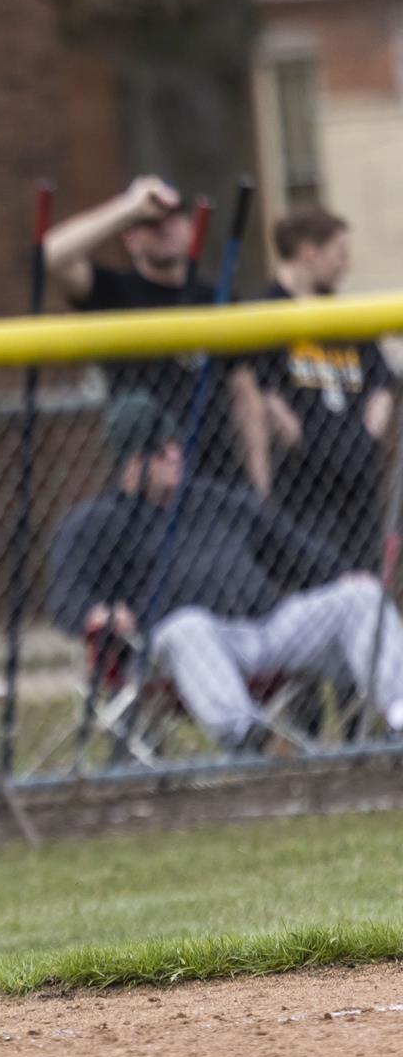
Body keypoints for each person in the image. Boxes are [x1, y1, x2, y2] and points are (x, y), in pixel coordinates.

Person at [45, 393, 403, 751]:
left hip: (267, 627)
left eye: (176, 446)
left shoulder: (215, 500)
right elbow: (64, 594)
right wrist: (100, 613)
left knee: (361, 597)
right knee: (188, 626)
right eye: (160, 450)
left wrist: (341, 575)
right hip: (181, 646)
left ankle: (400, 718)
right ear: (130, 462)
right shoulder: (97, 521)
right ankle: (252, 740)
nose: (174, 455)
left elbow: (296, 549)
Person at [44, 175, 258, 490]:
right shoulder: (113, 292)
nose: (164, 227)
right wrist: (130, 208)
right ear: (130, 239)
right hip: (145, 477)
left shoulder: (217, 299)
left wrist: (259, 482)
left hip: (218, 477)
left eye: (174, 219)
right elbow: (52, 255)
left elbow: (243, 392)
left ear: (191, 229)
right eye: (151, 224)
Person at [246, 208, 389, 569]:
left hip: (358, 484)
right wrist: (295, 435)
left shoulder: (340, 315)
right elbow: (260, 387)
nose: (346, 264)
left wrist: (368, 435)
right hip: (302, 486)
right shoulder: (265, 313)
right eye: (339, 252)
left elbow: (382, 381)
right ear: (309, 252)